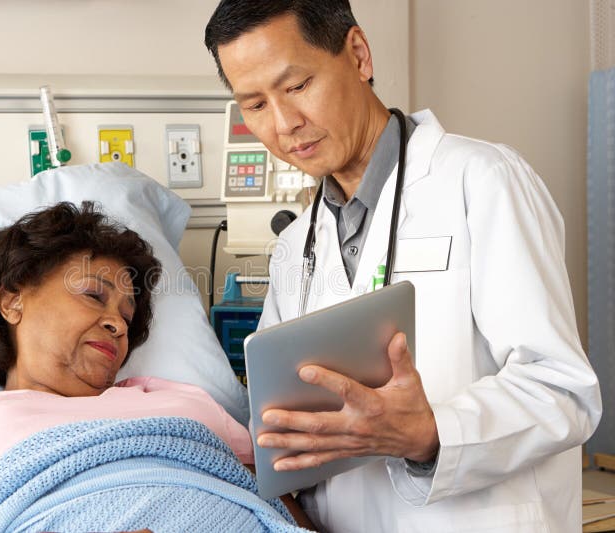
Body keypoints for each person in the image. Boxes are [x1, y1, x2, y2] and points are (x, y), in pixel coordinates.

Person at [205, 1, 603, 532]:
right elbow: (284, 429)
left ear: (359, 54)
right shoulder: (295, 247)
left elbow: (564, 392)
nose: (284, 124)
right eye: (254, 104)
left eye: (297, 86)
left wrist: (431, 431)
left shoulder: (482, 182)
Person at [0, 202, 311, 532]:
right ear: (12, 299)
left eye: (126, 317)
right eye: (92, 296)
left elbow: (278, 508)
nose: (117, 325)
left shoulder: (182, 400)